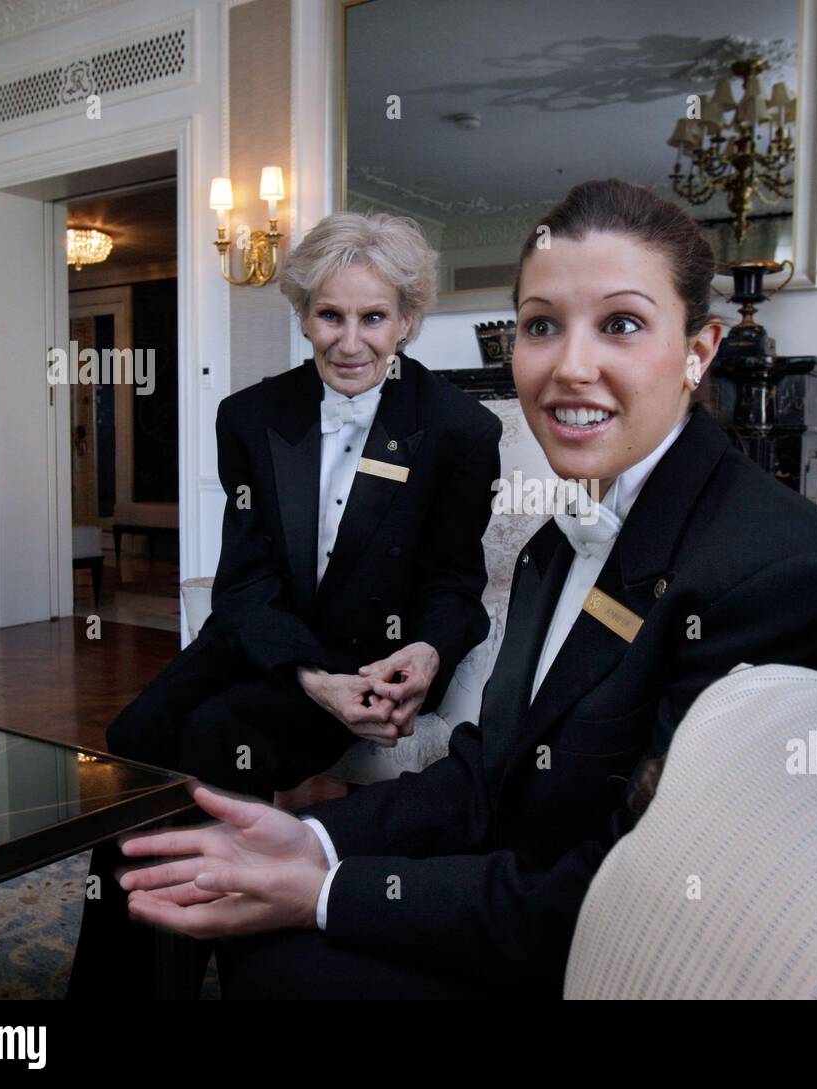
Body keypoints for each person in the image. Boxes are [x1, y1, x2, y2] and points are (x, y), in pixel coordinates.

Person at [115, 178, 817, 999]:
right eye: (542, 326)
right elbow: (494, 771)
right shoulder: (558, 545)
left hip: (638, 960)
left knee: (273, 945)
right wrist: (312, 840)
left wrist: (329, 891)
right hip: (525, 861)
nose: (570, 365)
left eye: (621, 324)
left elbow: (653, 902)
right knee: (174, 800)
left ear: (700, 351)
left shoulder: (787, 580)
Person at [67, 211, 501, 998]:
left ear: (406, 319)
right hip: (273, 641)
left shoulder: (458, 428)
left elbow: (454, 583)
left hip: (377, 659)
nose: (350, 340)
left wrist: (429, 653)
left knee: (210, 739)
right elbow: (244, 581)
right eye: (330, 315)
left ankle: (195, 962)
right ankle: (131, 975)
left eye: (374, 317)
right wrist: (308, 675)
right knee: (133, 739)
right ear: (304, 313)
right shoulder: (252, 414)